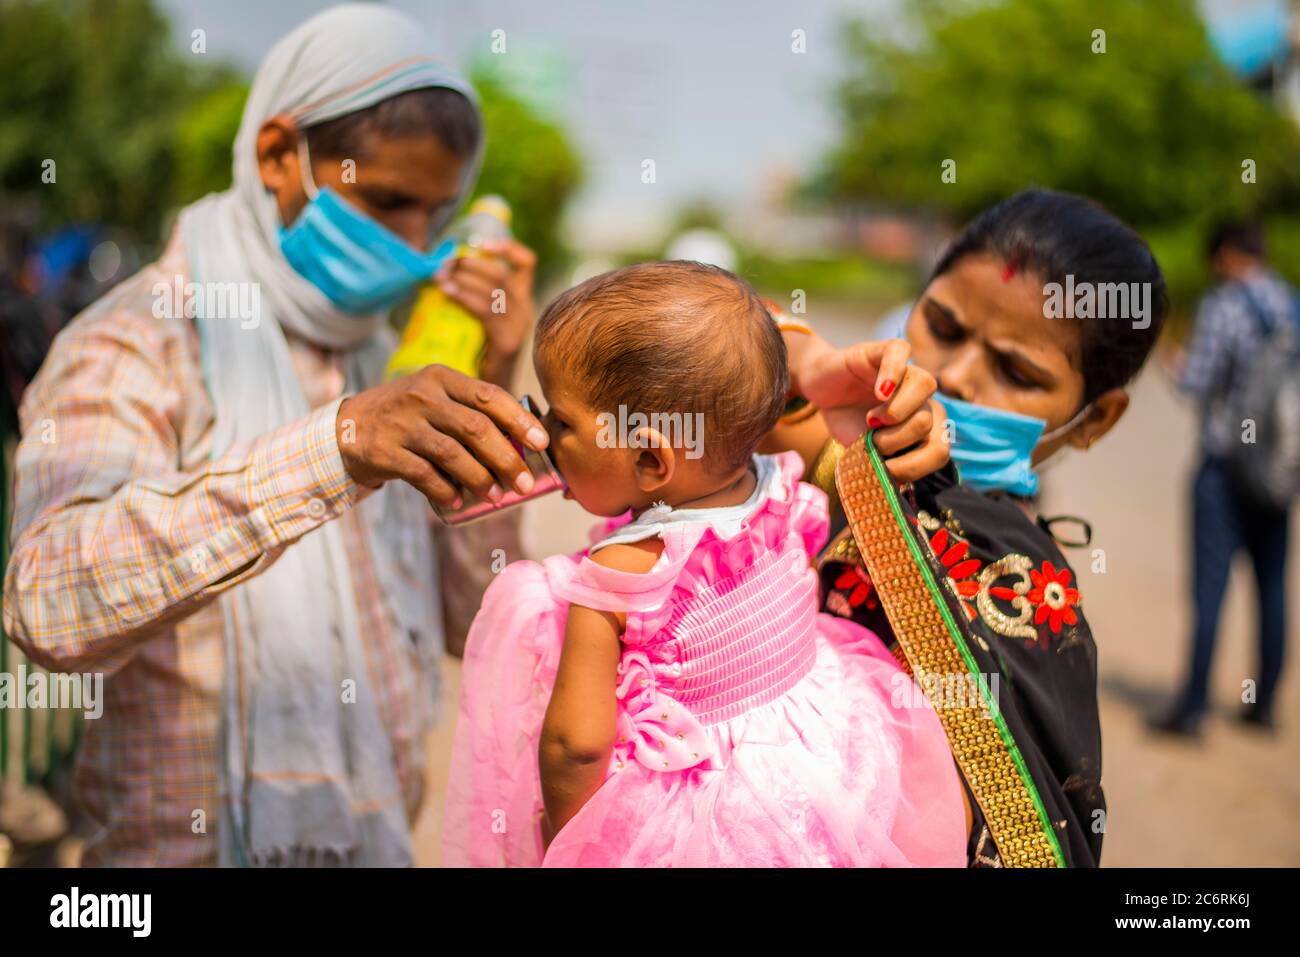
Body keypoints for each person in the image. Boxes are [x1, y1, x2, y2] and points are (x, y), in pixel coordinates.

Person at [2, 5, 547, 867]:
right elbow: (47, 604)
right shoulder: (138, 338)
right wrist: (332, 449)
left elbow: (467, 619)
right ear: (277, 155)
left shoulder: (381, 355)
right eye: (387, 200)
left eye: (434, 215)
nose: (414, 243)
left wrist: (495, 374)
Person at [441, 261, 967, 867]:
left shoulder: (618, 576)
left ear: (650, 460)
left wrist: (572, 846)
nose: (544, 437)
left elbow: (574, 746)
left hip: (702, 821)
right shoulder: (778, 485)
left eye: (560, 421)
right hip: (825, 757)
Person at [770, 188, 1169, 866]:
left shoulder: (1024, 587)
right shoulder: (844, 452)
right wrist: (808, 364)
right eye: (943, 326)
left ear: (1095, 420)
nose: (955, 376)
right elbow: (703, 345)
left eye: (1016, 371)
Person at [1152, 220, 1295, 737]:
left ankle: (1192, 709)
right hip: (1276, 470)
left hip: (1226, 467)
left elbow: (1197, 383)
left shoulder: (1224, 306)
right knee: (1272, 586)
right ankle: (1264, 705)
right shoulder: (1289, 304)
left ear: (1227, 256)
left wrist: (1172, 363)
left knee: (1210, 590)